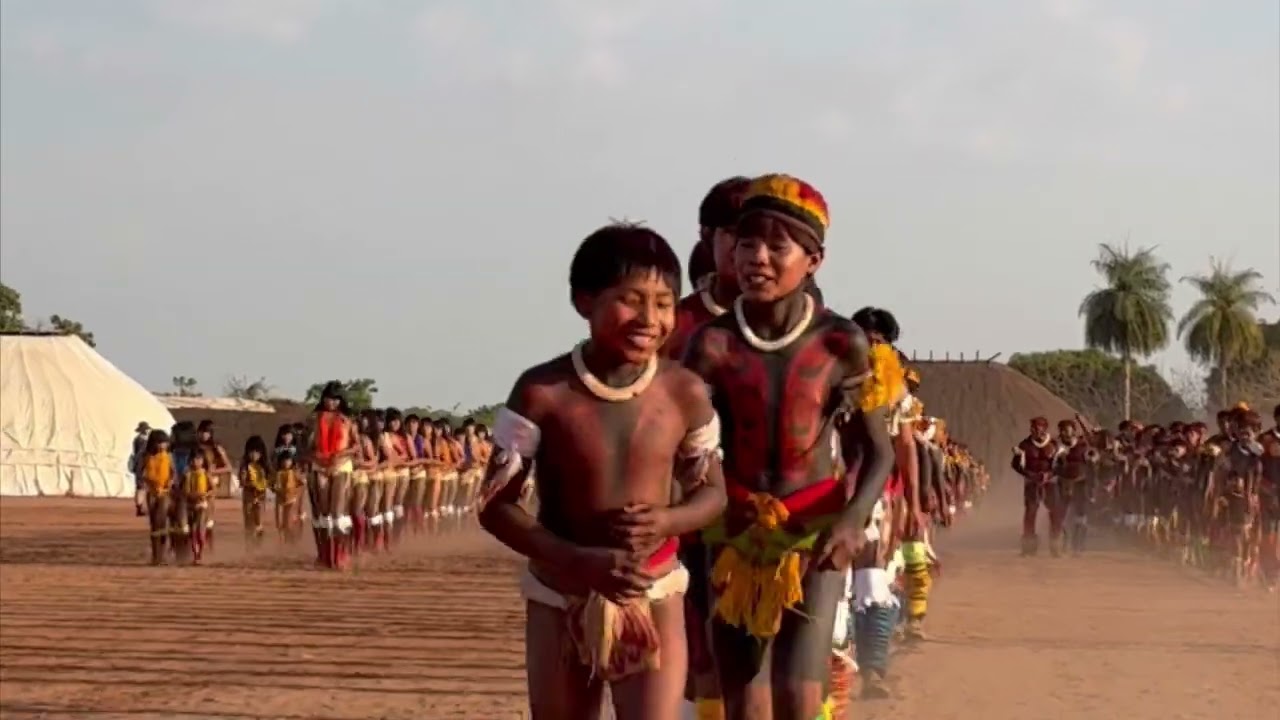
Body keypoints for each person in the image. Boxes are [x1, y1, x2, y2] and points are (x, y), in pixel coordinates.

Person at [478, 222, 726, 720]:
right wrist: (576, 559)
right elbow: (495, 504)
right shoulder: (542, 392)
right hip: (558, 593)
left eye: (663, 302)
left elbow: (712, 493)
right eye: (631, 300)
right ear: (582, 300)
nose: (649, 318)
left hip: (651, 590)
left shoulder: (685, 393)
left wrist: (667, 521)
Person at [682, 174, 895, 719]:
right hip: (732, 529)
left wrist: (852, 521)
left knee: (800, 697)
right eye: (747, 243)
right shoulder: (711, 344)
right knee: (745, 703)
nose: (757, 259)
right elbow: (683, 442)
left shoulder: (840, 343)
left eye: (778, 247)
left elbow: (878, 451)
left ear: (814, 260)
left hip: (816, 528)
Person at [307, 382, 356, 569]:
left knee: (338, 514)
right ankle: (324, 555)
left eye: (336, 399)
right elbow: (306, 446)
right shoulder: (314, 419)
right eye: (329, 398)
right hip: (319, 467)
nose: (332, 403)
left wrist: (343, 454)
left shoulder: (347, 420)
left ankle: (341, 554)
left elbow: (356, 445)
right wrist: (314, 455)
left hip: (341, 466)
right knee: (323, 515)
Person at [1012, 417, 1058, 556]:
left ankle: (1056, 545)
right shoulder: (1025, 445)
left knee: (1055, 512)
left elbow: (1061, 465)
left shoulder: (1054, 445)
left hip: (1050, 483)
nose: (1034, 430)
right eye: (1032, 427)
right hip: (1032, 483)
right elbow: (1015, 465)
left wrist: (1048, 475)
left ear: (1044, 428)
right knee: (1030, 512)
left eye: (1037, 427)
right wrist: (1030, 475)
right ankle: (1028, 546)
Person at [137, 429, 175, 565]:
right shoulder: (146, 456)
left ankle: (163, 555)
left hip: (164, 493)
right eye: (159, 443)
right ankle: (155, 555)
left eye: (164, 443)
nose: (162, 446)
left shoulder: (168, 456)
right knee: (154, 525)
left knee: (162, 523)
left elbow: (173, 473)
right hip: (152, 493)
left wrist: (169, 484)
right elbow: (141, 474)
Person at [240, 435, 271, 547]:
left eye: (257, 452)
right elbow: (242, 481)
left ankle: (259, 546)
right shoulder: (245, 466)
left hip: (261, 495)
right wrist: (251, 484)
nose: (254, 455)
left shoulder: (264, 466)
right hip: (248, 495)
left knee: (259, 522)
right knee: (248, 522)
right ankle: (249, 547)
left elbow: (269, 479)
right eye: (251, 452)